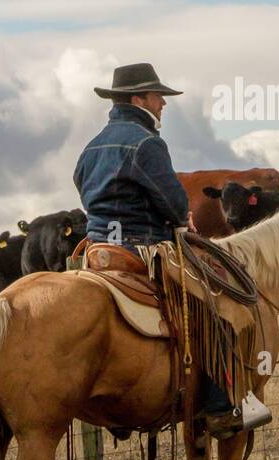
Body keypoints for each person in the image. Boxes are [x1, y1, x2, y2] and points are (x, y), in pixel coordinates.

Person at [73, 62, 243, 437]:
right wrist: (181, 220)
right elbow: (171, 199)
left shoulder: (91, 146)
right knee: (212, 308)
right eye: (157, 96)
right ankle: (219, 406)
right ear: (138, 99)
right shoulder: (147, 143)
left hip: (98, 250)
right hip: (141, 248)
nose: (163, 104)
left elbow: (82, 187)